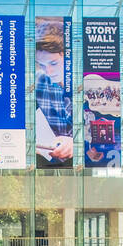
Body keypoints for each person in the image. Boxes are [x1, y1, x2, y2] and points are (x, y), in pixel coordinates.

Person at [35, 23, 74, 167]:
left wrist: (77, 144)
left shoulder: (91, 84)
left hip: (84, 165)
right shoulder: (37, 81)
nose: (48, 72)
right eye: (42, 65)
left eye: (53, 63)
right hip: (45, 164)